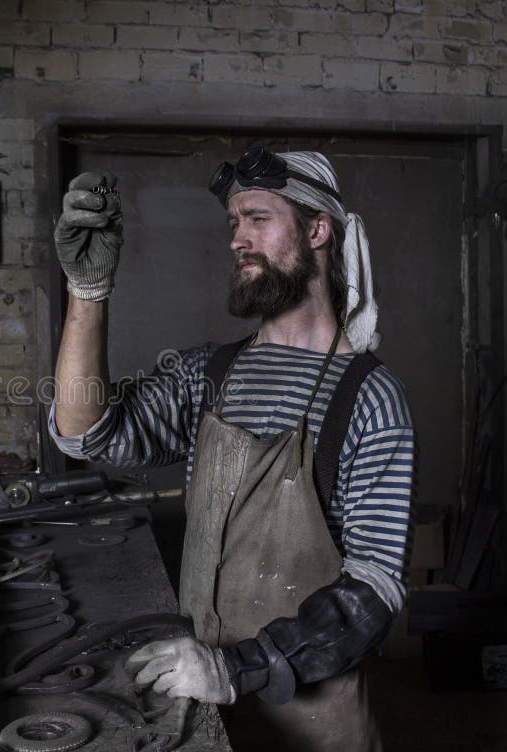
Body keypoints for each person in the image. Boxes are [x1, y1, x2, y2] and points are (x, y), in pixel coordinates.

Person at [49, 148, 416, 751]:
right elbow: (88, 432)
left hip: (310, 727)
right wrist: (87, 293)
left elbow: (374, 589)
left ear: (318, 231)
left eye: (258, 219)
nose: (237, 240)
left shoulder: (370, 397)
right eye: (233, 222)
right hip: (202, 714)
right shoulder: (211, 374)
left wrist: (234, 668)